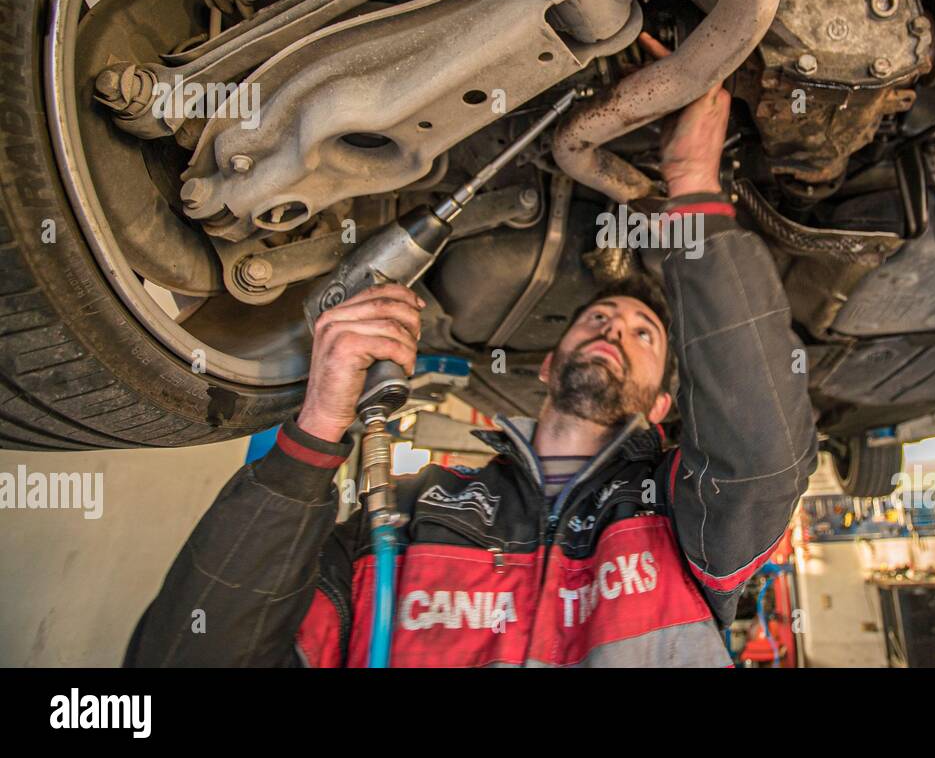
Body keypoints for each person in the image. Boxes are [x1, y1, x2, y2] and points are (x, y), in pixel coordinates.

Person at [124, 34, 818, 667]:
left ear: (666, 404)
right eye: (602, 314)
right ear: (548, 363)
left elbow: (761, 448)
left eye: (644, 334)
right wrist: (320, 429)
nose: (613, 328)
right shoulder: (403, 514)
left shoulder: (678, 517)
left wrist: (695, 185)